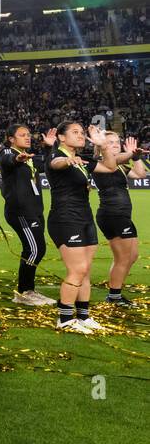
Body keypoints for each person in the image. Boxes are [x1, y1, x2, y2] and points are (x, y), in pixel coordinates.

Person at [46, 122, 116, 333]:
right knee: (77, 270)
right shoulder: (56, 154)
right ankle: (65, 319)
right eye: (74, 132)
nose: (80, 135)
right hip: (65, 219)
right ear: (61, 137)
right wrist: (68, 159)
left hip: (85, 218)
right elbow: (56, 163)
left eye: (81, 132)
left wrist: (103, 146)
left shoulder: (83, 161)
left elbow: (111, 167)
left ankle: (83, 316)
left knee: (85, 271)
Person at [0, 124, 57, 306]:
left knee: (36, 249)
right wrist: (17, 158)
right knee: (34, 250)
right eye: (22, 135)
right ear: (11, 139)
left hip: (35, 211)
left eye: (29, 135)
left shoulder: (30, 158)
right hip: (20, 211)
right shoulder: (6, 152)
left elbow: (46, 165)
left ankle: (28, 290)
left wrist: (48, 147)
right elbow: (7, 161)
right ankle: (24, 292)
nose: (28, 137)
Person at [94, 131, 144, 308]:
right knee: (122, 258)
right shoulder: (102, 163)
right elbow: (115, 160)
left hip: (122, 215)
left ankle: (116, 287)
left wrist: (136, 157)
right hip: (112, 215)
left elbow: (140, 175)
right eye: (110, 142)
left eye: (117, 142)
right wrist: (131, 153)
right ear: (101, 146)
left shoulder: (120, 166)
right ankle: (114, 296)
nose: (116, 144)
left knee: (132, 255)